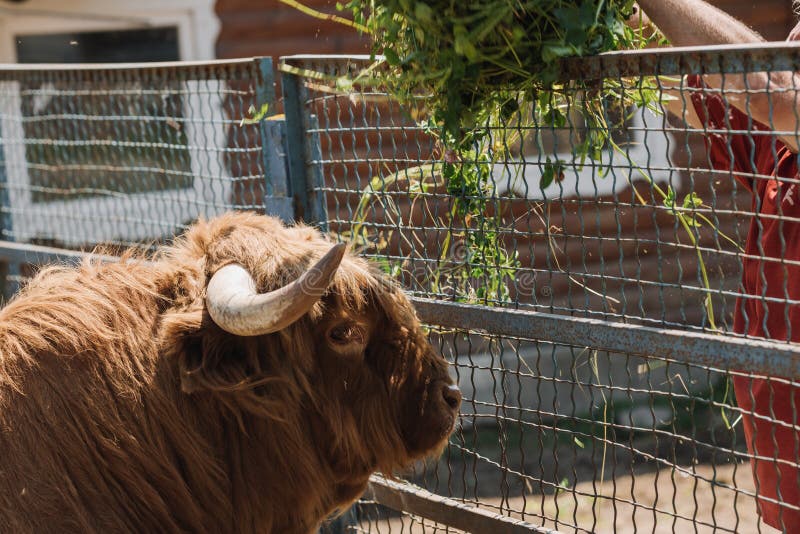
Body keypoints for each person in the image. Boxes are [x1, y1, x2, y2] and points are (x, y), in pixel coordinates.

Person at [634, 1, 800, 530]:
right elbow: (700, 97)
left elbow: (769, 93)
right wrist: (612, 25)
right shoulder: (786, 159)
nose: (795, 30)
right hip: (784, 444)